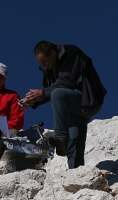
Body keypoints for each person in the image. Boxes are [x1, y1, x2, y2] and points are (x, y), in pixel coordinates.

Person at [21, 41, 107, 169]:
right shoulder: (49, 68)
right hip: (73, 105)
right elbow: (49, 91)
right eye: (41, 63)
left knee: (57, 94)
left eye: (44, 61)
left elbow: (66, 82)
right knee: (74, 140)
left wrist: (43, 93)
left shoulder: (71, 53)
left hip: (88, 99)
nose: (44, 65)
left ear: (53, 53)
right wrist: (34, 100)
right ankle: (76, 174)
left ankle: (60, 137)